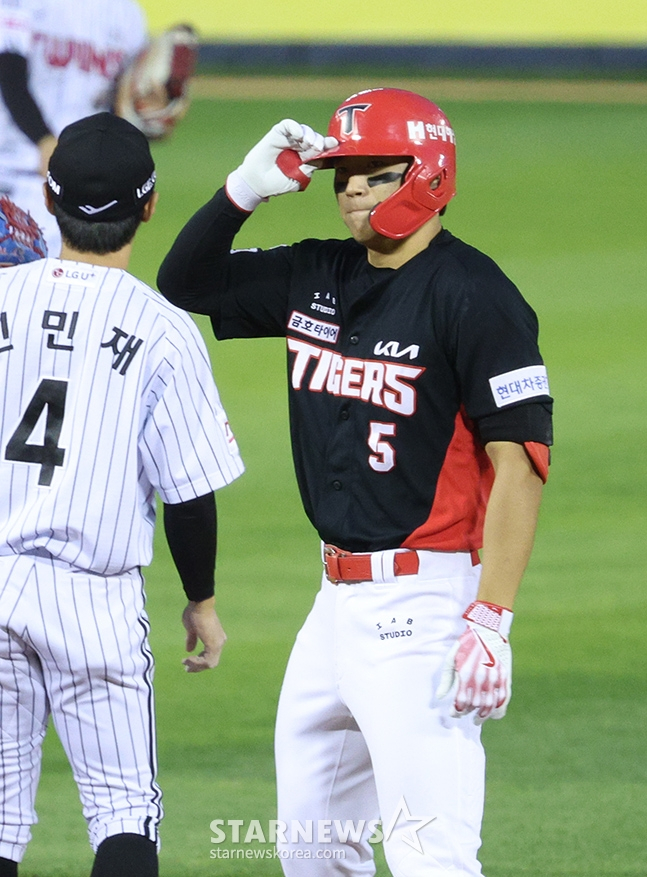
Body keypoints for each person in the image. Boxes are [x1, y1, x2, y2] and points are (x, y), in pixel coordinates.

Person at [157, 87, 553, 877]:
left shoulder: (476, 296)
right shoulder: (317, 273)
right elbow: (185, 286)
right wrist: (242, 191)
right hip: (332, 606)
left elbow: (521, 463)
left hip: (425, 606)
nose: (351, 192)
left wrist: (491, 618)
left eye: (372, 173)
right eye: (342, 176)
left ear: (426, 171)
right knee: (310, 854)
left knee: (429, 856)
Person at [0, 112, 244, 877]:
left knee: (1, 814)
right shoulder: (165, 329)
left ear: (48, 195)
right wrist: (200, 599)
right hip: (94, 602)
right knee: (122, 810)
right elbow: (189, 490)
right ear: (150, 205)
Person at [0, 0, 148, 255]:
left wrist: (150, 113)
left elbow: (122, 102)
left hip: (77, 192)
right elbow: (9, 74)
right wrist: (44, 140)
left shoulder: (129, 15)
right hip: (11, 176)